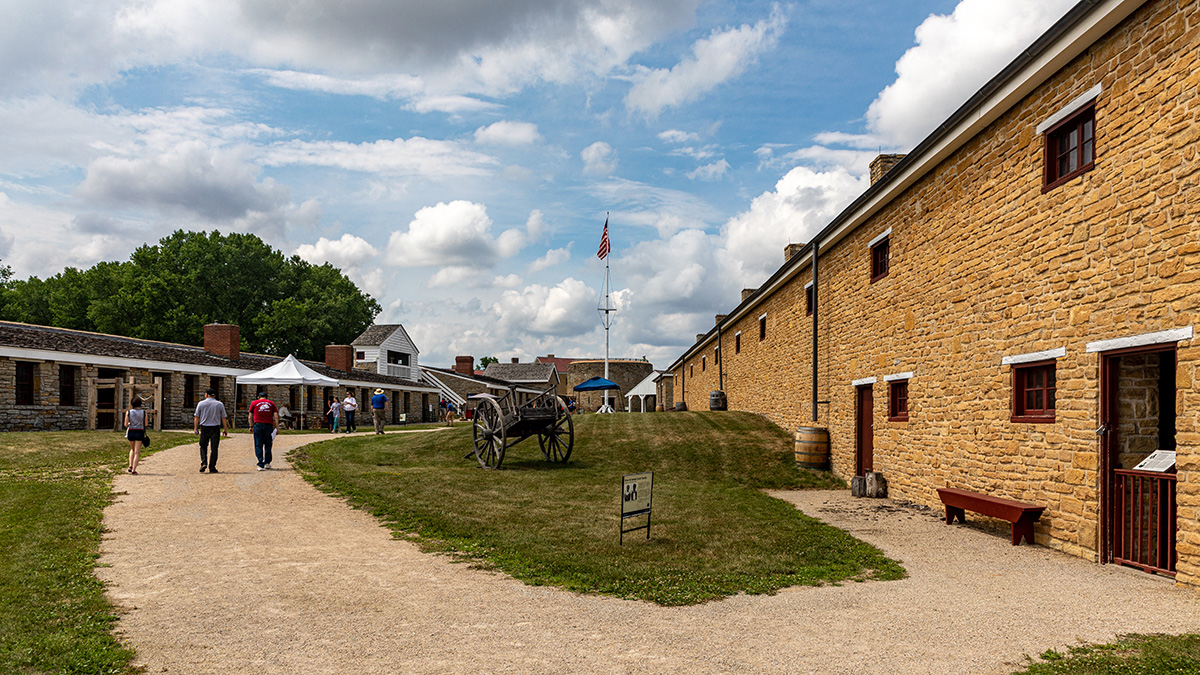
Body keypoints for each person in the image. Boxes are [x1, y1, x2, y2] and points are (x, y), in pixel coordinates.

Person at [193, 388, 228, 473]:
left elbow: (197, 417)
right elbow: (223, 418)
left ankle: (204, 462)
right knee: (214, 448)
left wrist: (195, 428)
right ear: (214, 395)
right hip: (215, 427)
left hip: (205, 427)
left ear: (206, 395)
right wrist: (225, 429)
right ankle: (212, 467)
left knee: (203, 446)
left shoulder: (201, 404)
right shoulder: (219, 404)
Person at [248, 390, 279, 471]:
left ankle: (260, 463)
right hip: (268, 425)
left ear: (258, 397)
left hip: (258, 424)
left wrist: (251, 426)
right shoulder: (271, 403)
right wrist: (276, 427)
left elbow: (250, 416)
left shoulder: (254, 403)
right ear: (266, 397)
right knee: (268, 443)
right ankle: (267, 462)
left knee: (258, 443)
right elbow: (276, 416)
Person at [124, 397, 147, 475]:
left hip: (131, 431)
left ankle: (130, 465)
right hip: (139, 432)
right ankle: (134, 469)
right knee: (137, 452)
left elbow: (126, 424)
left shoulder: (128, 412)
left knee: (132, 449)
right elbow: (146, 424)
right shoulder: (144, 412)